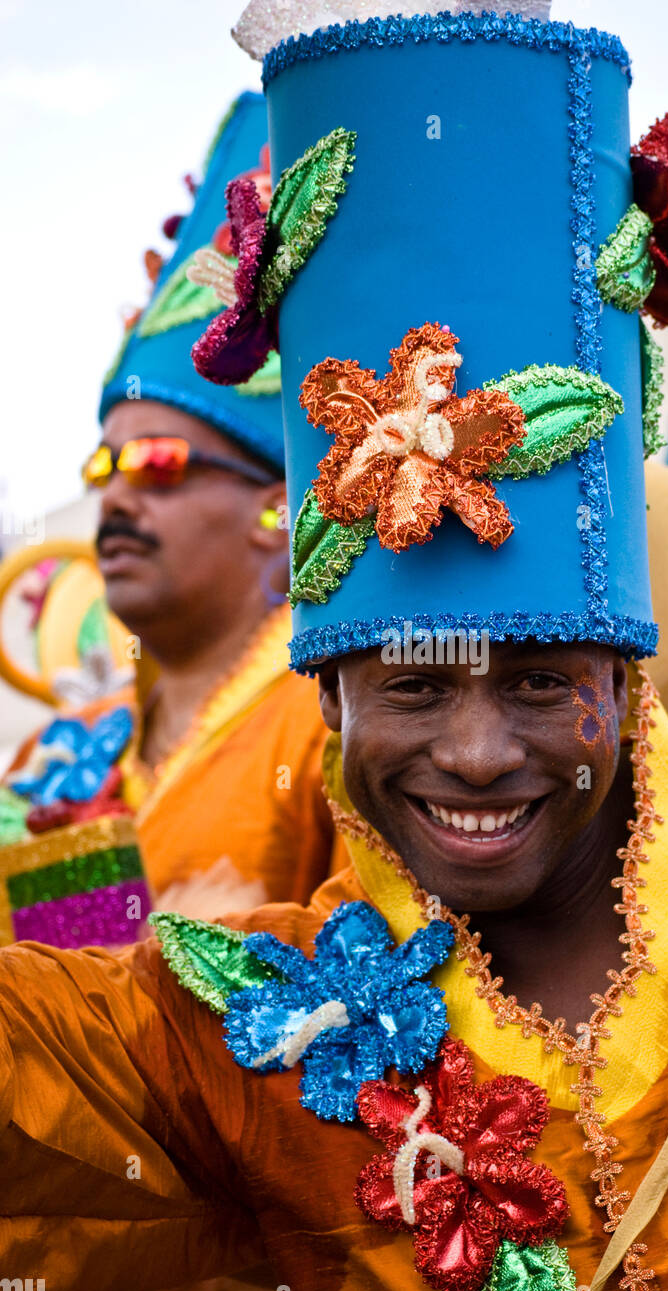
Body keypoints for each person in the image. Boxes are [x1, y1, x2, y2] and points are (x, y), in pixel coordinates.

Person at [1, 4, 668, 1291]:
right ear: (331, 697)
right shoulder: (237, 1025)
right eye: (410, 681)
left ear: (618, 678)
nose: (474, 749)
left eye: (538, 678)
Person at [2, 93, 341, 928]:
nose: (113, 495)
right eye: (103, 465)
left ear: (275, 505)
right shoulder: (62, 750)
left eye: (157, 465)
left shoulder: (341, 721)